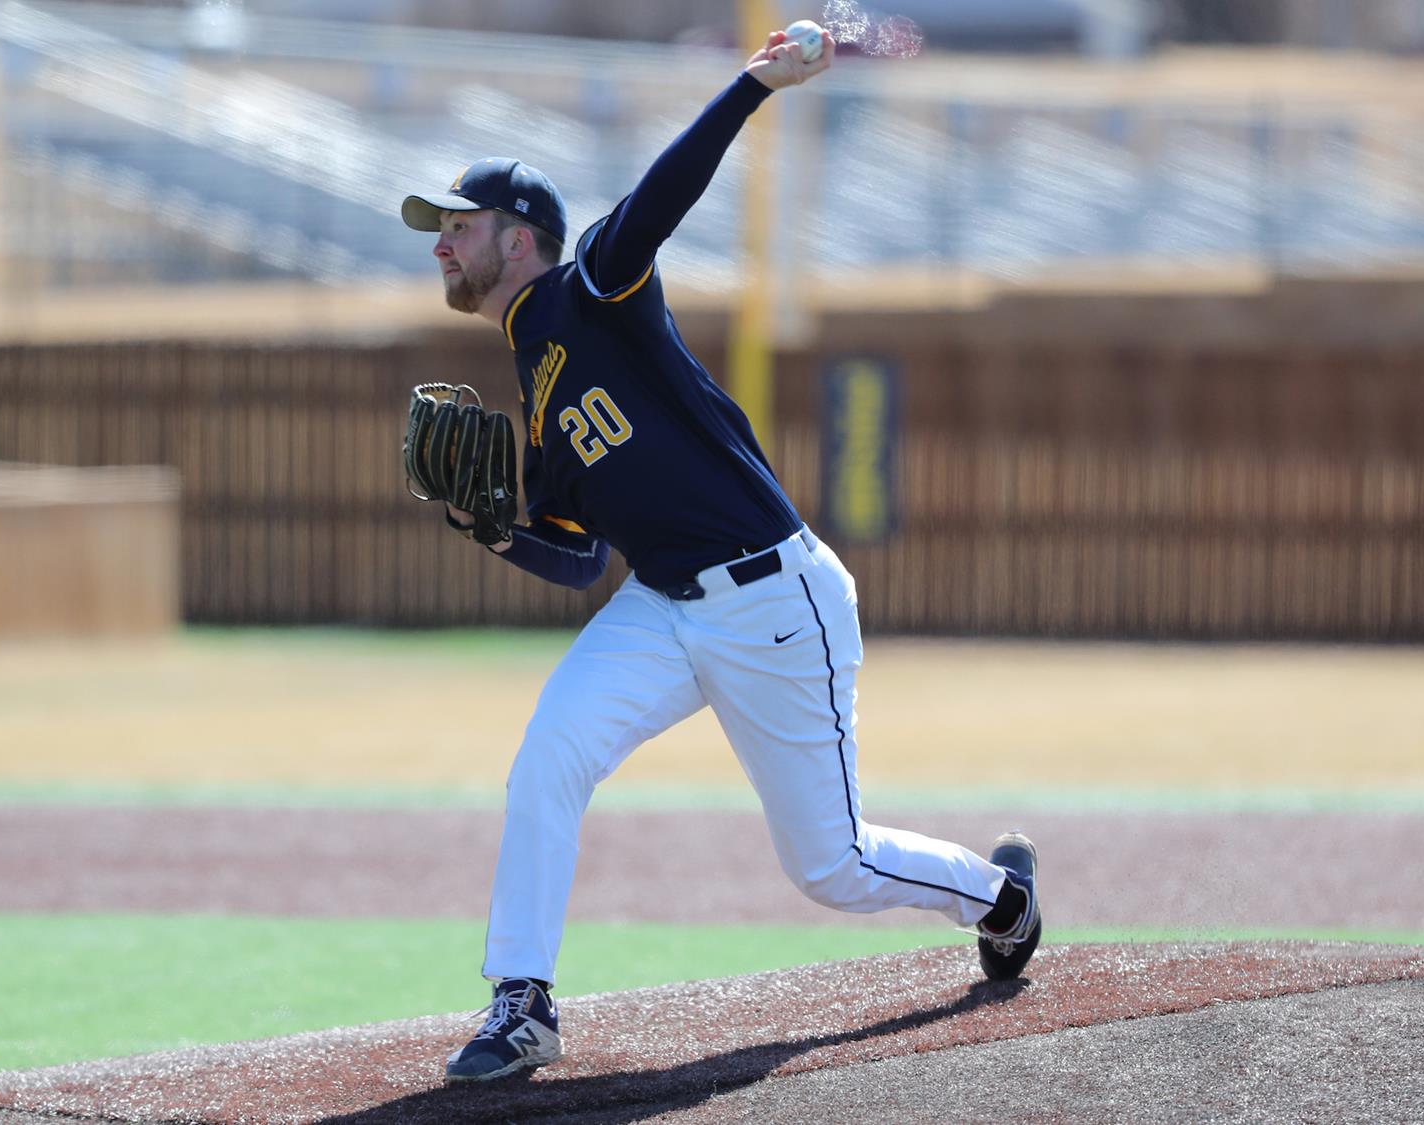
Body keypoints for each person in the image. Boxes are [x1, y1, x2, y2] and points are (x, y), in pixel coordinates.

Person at [398, 27, 1040, 1085]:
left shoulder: (585, 292)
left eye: (455, 226)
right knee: (547, 760)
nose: (438, 244)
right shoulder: (535, 372)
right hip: (662, 607)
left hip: (771, 599)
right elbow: (572, 561)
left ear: (519, 240)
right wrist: (490, 528)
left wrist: (748, 87)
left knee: (829, 868)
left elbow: (656, 204)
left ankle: (1001, 899)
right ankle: (521, 1004)